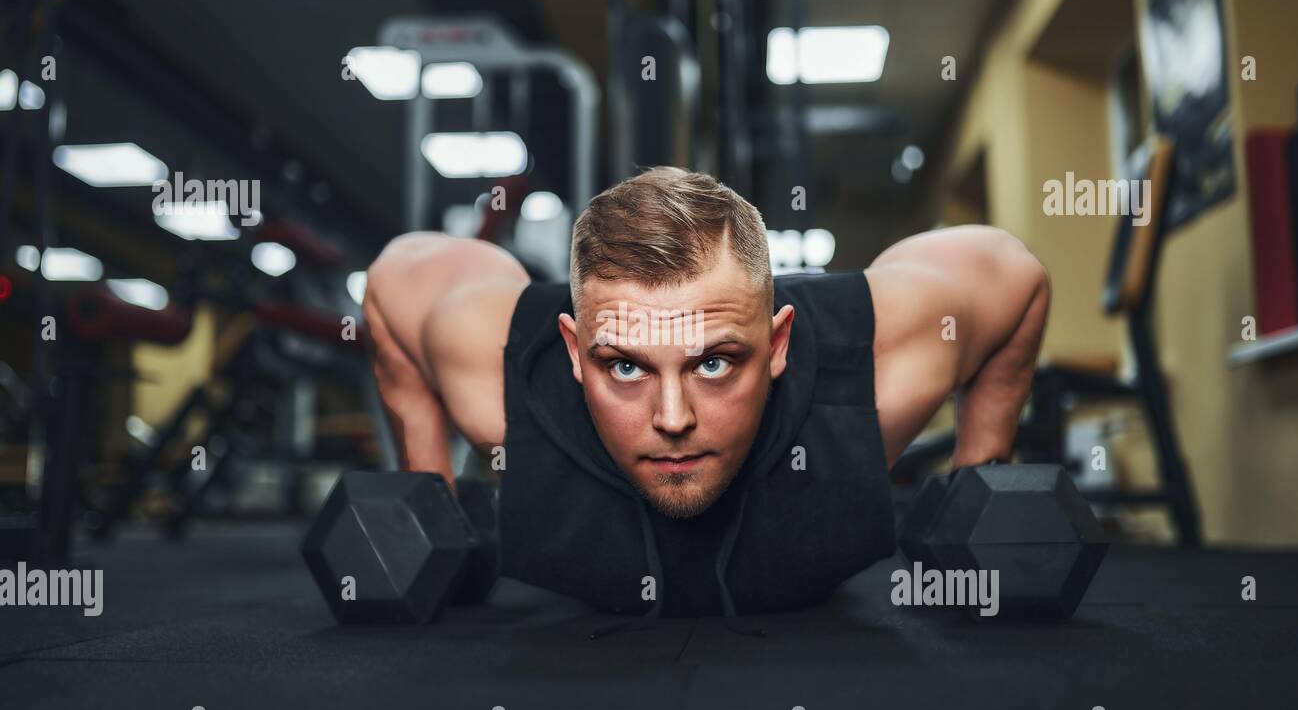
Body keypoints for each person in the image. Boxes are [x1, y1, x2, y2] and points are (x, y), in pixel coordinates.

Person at [364, 167, 1049, 620]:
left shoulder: (871, 373)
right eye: (626, 369)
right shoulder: (503, 383)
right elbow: (397, 276)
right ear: (575, 353)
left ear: (778, 346)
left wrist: (977, 476)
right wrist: (429, 494)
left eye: (715, 365)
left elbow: (1015, 275)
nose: (673, 420)